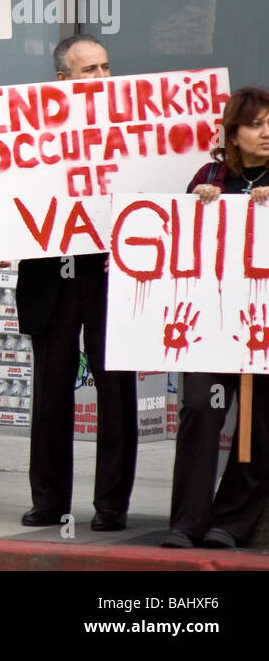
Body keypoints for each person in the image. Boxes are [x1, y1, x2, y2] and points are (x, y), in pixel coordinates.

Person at [17, 34, 137, 532]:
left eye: (107, 67)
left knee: (115, 391)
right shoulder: (27, 126)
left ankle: (111, 505)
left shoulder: (133, 126)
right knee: (50, 390)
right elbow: (14, 192)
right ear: (63, 80)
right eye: (91, 70)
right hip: (53, 271)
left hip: (111, 272)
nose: (103, 78)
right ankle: (49, 500)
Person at [163, 86, 269, 548]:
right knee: (201, 408)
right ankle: (187, 521)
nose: (266, 133)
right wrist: (198, 202)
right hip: (212, 324)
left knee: (260, 419)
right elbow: (182, 239)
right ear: (233, 133)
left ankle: (231, 522)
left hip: (262, 327)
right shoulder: (208, 175)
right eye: (255, 124)